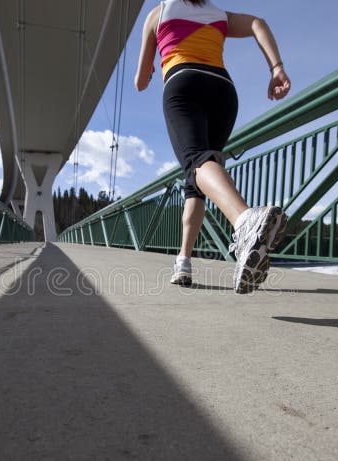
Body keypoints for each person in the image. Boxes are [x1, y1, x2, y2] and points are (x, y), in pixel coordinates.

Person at [135, 0, 291, 293]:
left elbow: (141, 82)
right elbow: (257, 23)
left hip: (183, 82)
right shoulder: (218, 14)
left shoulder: (158, 13)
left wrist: (151, 66)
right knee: (198, 177)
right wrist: (276, 68)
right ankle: (183, 261)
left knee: (196, 161)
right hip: (223, 90)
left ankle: (244, 220)